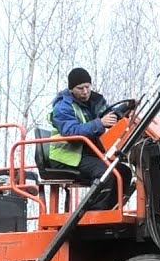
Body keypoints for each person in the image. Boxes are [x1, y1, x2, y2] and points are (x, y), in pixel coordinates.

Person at [47, 67, 133, 210]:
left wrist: (125, 109)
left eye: (87, 87)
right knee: (106, 172)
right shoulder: (63, 107)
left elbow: (107, 116)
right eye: (80, 88)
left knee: (124, 171)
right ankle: (95, 213)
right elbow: (70, 132)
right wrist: (100, 123)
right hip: (67, 156)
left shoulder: (95, 101)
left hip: (88, 153)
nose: (85, 91)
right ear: (71, 89)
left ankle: (111, 209)